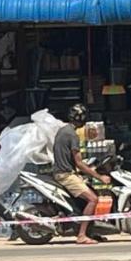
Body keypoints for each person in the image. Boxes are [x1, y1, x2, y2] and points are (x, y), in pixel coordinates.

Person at [52, 103, 102, 244]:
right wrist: (99, 177)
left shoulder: (62, 130)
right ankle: (81, 235)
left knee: (84, 199)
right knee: (93, 199)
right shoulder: (72, 135)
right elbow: (79, 162)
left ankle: (90, 231)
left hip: (62, 172)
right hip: (65, 175)